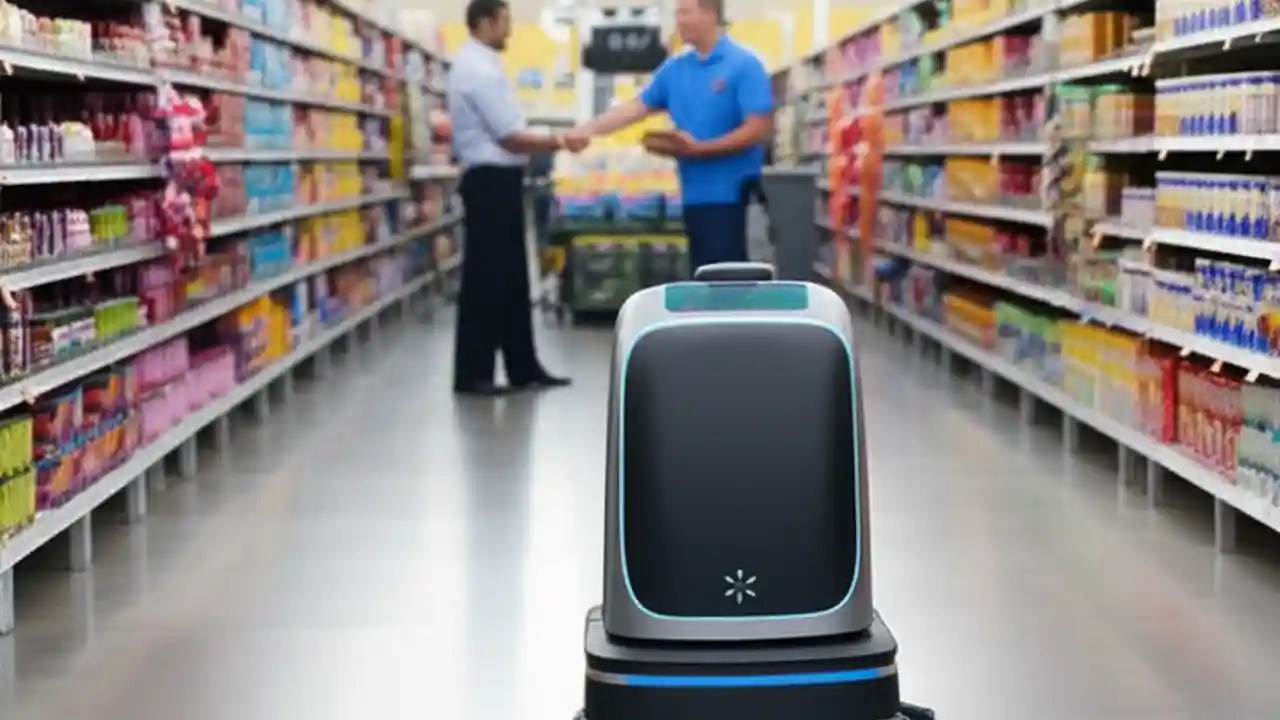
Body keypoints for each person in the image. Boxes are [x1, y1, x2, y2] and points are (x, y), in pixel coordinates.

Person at [568, 0, 774, 272]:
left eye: (684, 12)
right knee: (705, 281)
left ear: (710, 14)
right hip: (692, 198)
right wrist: (587, 130)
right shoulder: (675, 70)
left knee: (736, 283)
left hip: (736, 199)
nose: (678, 21)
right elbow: (634, 108)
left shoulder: (745, 65)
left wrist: (700, 149)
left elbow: (758, 129)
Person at [448, 0, 586, 396]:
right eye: (505, 22)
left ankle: (523, 366)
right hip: (489, 181)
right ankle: (473, 373)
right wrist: (562, 140)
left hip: (500, 180)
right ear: (485, 22)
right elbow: (510, 135)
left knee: (510, 278)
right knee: (486, 280)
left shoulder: (482, 64)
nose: (509, 30)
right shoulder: (478, 70)